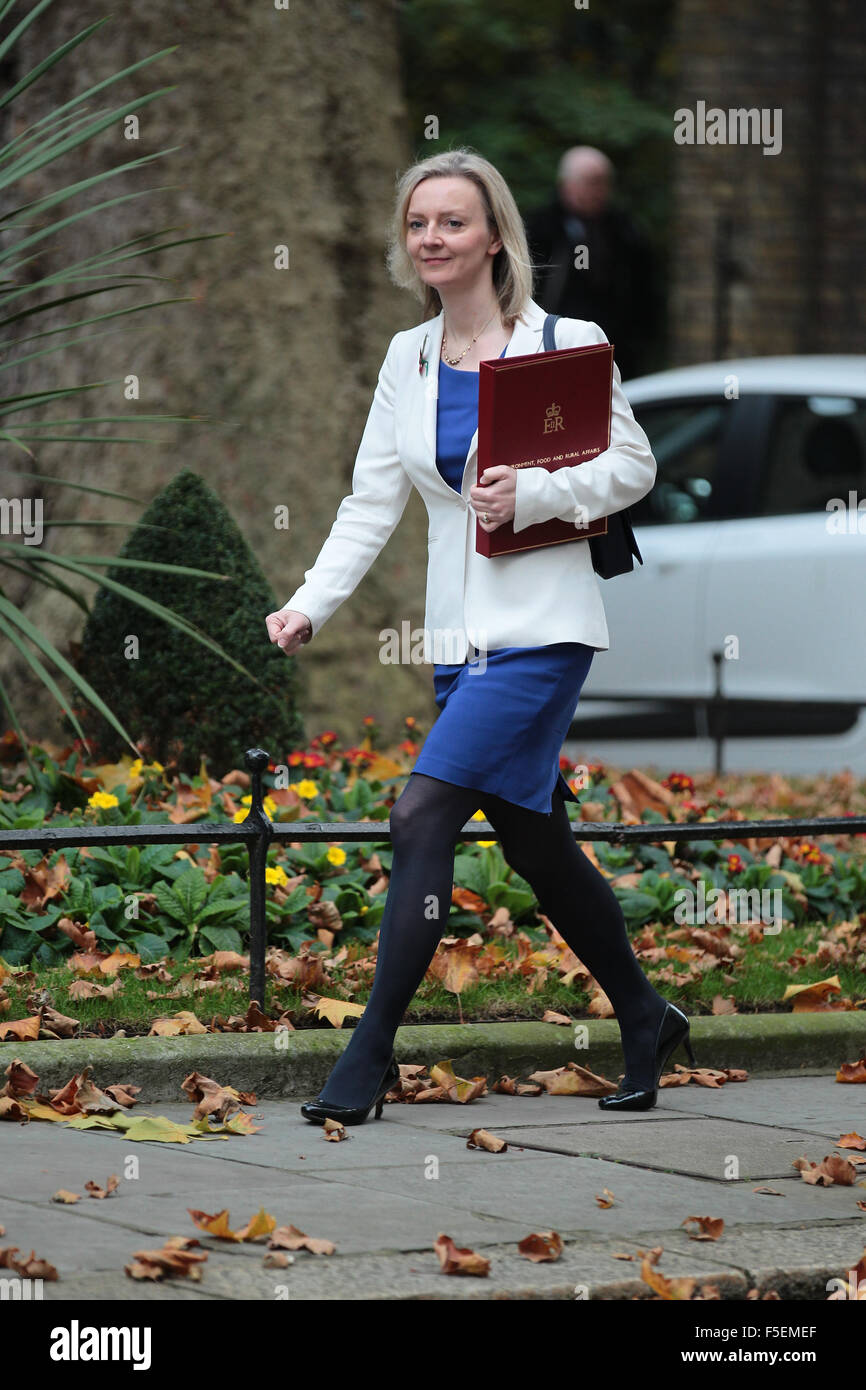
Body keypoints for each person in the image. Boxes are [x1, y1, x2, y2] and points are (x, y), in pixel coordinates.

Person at [265, 147, 694, 1126]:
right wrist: (308, 602)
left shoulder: (560, 337)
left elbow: (630, 466)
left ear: (492, 234)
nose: (430, 238)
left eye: (450, 221)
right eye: (417, 223)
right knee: (537, 845)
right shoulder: (406, 357)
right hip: (458, 645)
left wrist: (536, 489)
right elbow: (370, 503)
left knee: (420, 815)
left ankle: (366, 1056)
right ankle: (643, 1013)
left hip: (541, 634)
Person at [524, 145, 657, 381]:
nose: (597, 191)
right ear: (566, 184)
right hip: (555, 340)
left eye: (602, 182)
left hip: (615, 345)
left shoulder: (625, 230)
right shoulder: (540, 229)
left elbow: (644, 289)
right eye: (590, 182)